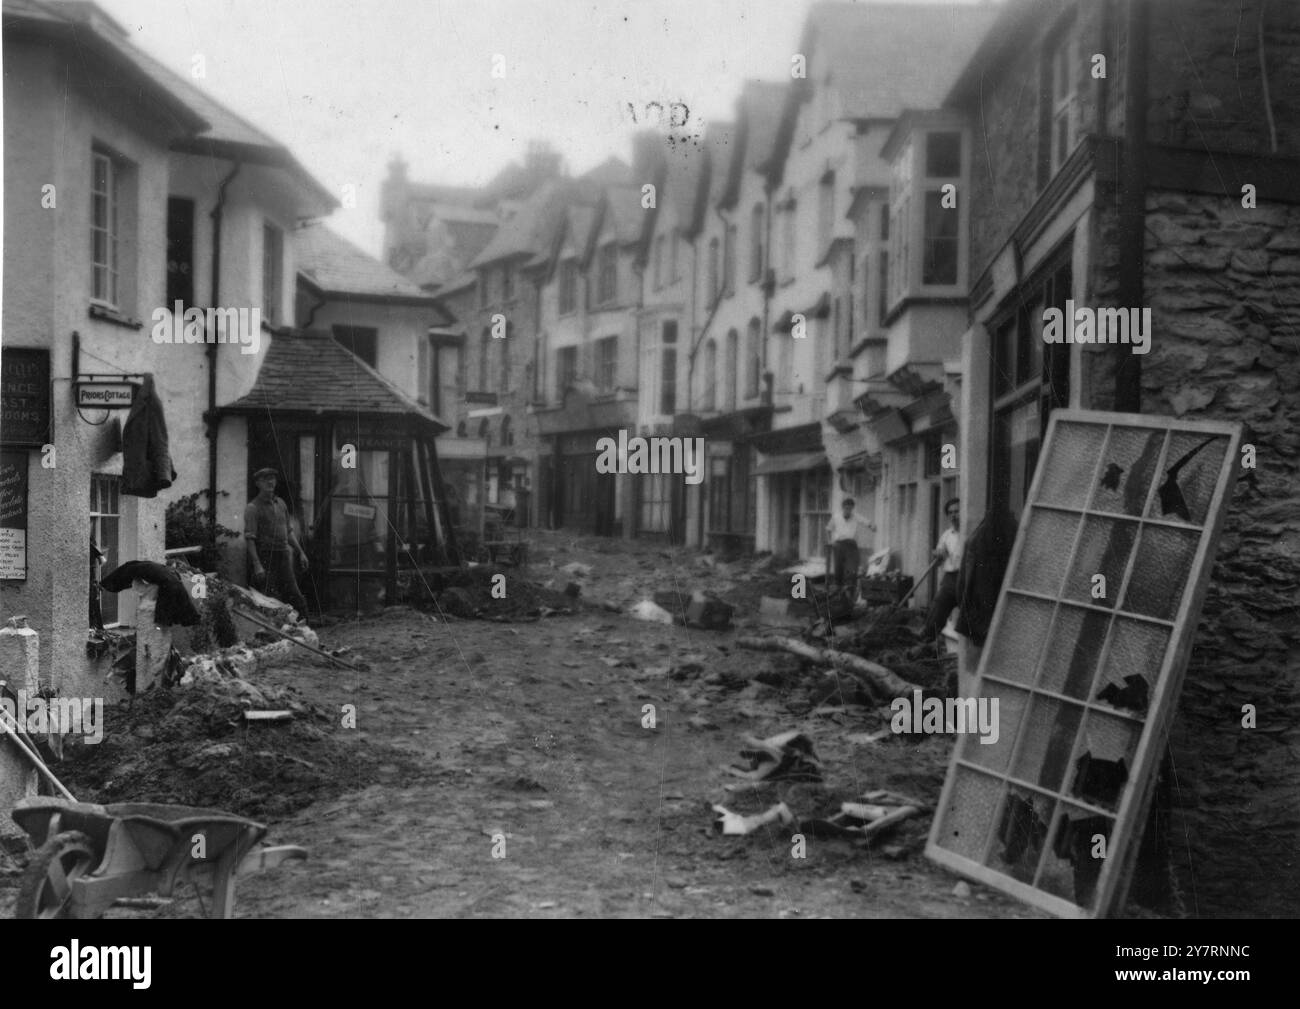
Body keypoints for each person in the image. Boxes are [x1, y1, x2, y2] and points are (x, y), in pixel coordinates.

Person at [244, 467, 311, 623]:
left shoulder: (281, 504)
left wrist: (301, 552)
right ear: (257, 484)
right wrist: (257, 565)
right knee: (268, 597)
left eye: (272, 478)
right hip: (265, 556)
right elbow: (250, 538)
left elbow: (288, 532)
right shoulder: (252, 508)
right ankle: (271, 634)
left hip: (283, 554)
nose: (269, 482)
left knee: (295, 594)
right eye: (265, 479)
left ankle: (306, 630)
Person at [922, 498, 963, 640]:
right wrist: (938, 554)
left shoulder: (970, 532)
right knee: (938, 606)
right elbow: (939, 557)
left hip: (968, 578)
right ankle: (928, 639)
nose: (953, 515)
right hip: (951, 578)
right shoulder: (946, 535)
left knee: (970, 613)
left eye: (957, 511)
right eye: (950, 512)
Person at [824, 497, 870, 596]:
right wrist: (830, 541)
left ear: (852, 509)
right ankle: (838, 590)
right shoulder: (836, 517)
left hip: (851, 545)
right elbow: (828, 529)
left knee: (852, 568)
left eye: (850, 508)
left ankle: (850, 591)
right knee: (838, 567)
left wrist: (872, 526)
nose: (848, 510)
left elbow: (866, 522)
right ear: (843, 508)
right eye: (846, 508)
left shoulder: (855, 516)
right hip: (839, 545)